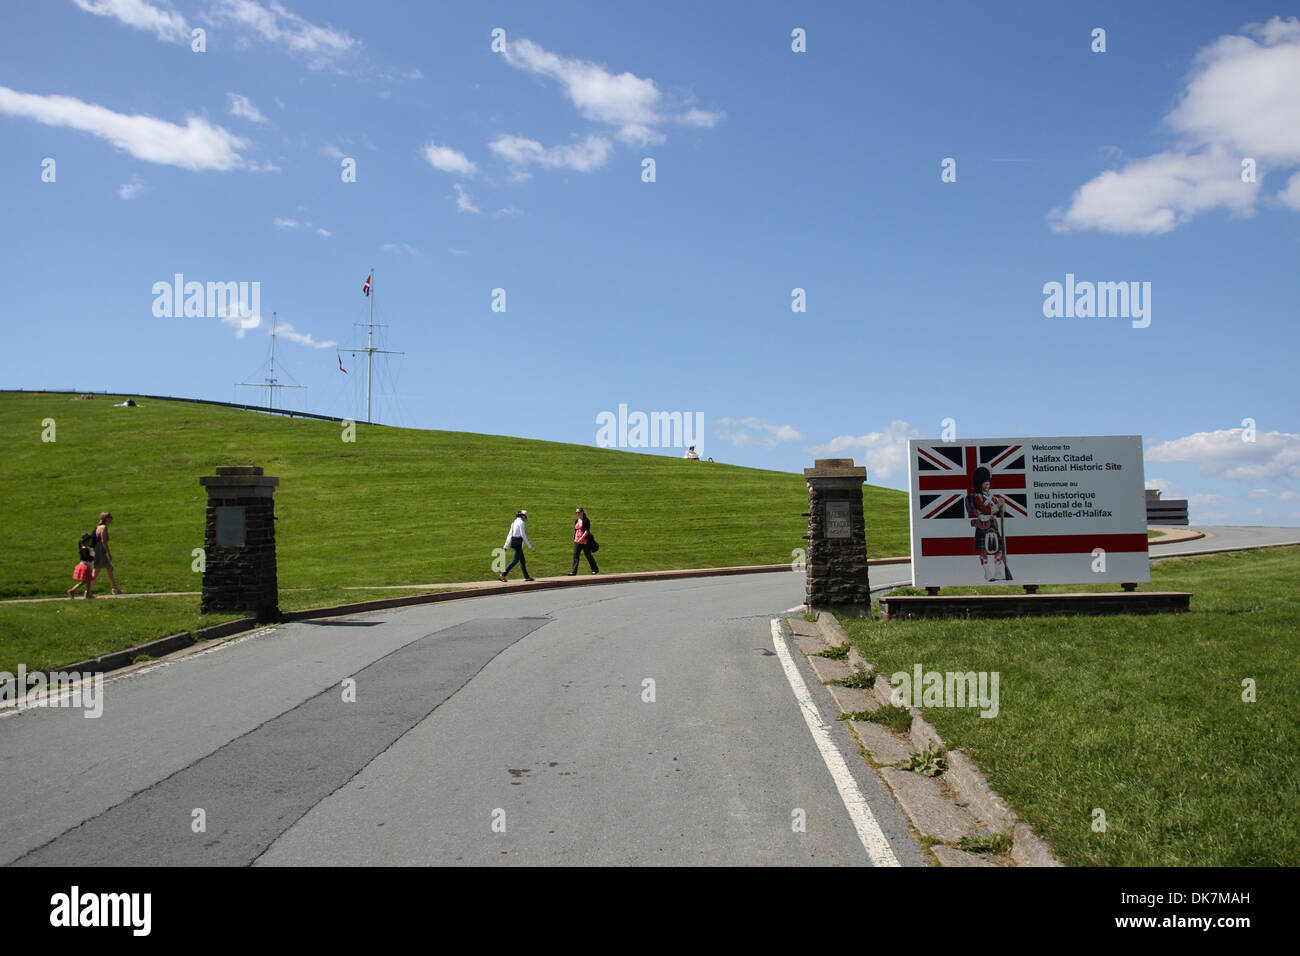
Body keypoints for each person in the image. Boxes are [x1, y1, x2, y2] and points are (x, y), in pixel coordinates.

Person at [964, 467, 1007, 581]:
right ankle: (987, 572)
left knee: (999, 549)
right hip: (983, 524)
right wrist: (997, 506)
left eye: (988, 483)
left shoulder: (992, 497)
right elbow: (985, 510)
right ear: (980, 484)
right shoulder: (977, 497)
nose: (987, 485)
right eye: (985, 483)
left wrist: (1001, 505)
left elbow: (999, 510)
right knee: (984, 550)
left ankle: (998, 571)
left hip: (993, 524)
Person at [92, 512, 123, 594]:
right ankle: (87, 590)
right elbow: (103, 541)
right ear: (106, 519)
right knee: (97, 571)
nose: (111, 519)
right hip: (100, 550)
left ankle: (115, 589)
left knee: (107, 569)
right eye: (110, 517)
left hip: (96, 550)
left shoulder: (98, 527)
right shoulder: (104, 527)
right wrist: (108, 553)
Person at [499, 510, 534, 582]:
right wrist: (529, 545)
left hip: (514, 542)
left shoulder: (514, 522)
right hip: (518, 543)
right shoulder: (521, 523)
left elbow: (509, 534)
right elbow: (523, 534)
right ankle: (503, 575)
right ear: (524, 516)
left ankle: (527, 577)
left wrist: (505, 546)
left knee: (522, 561)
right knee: (515, 561)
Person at [569, 507, 599, 575]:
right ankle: (574, 571)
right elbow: (576, 530)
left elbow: (587, 531)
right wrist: (575, 538)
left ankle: (595, 569)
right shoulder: (576, 521)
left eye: (578, 512)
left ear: (582, 512)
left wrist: (581, 538)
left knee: (588, 556)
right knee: (575, 556)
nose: (577, 514)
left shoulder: (586, 520)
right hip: (577, 541)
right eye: (576, 512)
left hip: (585, 541)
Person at [67, 532, 97, 599]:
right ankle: (88, 594)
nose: (90, 543)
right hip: (85, 566)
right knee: (88, 581)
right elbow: (87, 558)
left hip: (82, 565)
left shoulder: (82, 549)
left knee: (86, 581)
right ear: (87, 541)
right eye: (90, 541)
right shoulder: (85, 549)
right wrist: (92, 556)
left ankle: (73, 590)